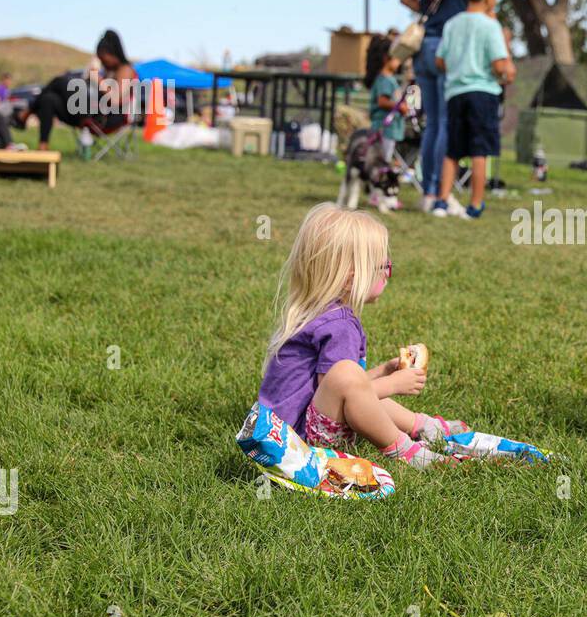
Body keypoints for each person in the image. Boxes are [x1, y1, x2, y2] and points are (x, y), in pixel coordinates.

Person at [234, 205, 547, 498]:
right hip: (301, 443)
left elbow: (332, 389)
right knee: (351, 377)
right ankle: (407, 450)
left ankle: (422, 426)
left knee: (353, 378)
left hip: (283, 432)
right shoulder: (340, 324)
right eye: (382, 266)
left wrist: (382, 372)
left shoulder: (318, 314)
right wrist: (393, 385)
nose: (387, 273)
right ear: (350, 275)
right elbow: (346, 389)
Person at [400, 0, 493, 213]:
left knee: (432, 123)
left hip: (424, 44)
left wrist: (430, 14)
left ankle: (428, 192)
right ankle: (442, 193)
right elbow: (487, 6)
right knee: (447, 124)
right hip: (451, 49)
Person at [432, 0, 515, 219]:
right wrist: (506, 69)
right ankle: (475, 204)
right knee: (480, 151)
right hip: (483, 93)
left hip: (455, 92)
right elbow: (500, 66)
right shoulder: (491, 26)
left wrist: (459, 67)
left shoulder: (452, 23)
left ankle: (442, 201)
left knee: (453, 149)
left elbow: (439, 61)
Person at [26, 30, 138, 152]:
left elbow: (115, 100)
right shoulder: (109, 71)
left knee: (60, 81)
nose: (103, 63)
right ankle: (43, 146)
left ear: (113, 54)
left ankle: (26, 113)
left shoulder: (126, 70)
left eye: (104, 59)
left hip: (106, 119)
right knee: (49, 99)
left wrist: (97, 78)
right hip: (90, 113)